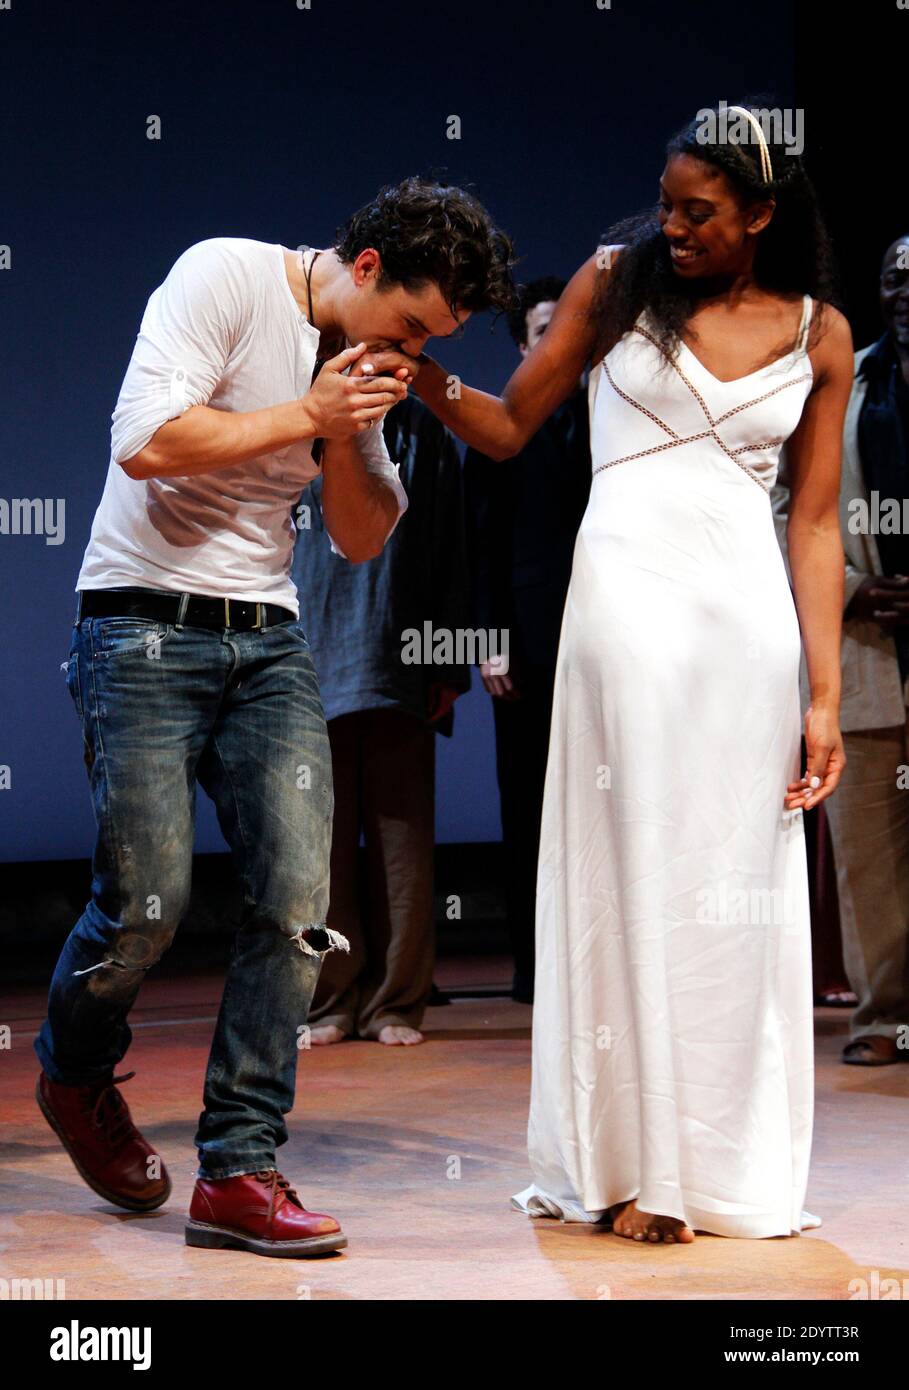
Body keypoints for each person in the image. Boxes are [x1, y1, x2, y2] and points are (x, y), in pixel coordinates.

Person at [34, 177, 514, 1258]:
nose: (409, 353)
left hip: (267, 635)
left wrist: (348, 432)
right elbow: (145, 438)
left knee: (298, 900)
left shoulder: (358, 373)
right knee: (146, 905)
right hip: (137, 623)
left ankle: (239, 1170)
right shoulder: (226, 274)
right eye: (408, 328)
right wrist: (307, 411)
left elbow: (358, 536)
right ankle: (71, 1071)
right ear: (371, 268)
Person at [409, 106, 853, 1243]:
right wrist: (419, 377)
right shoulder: (617, 287)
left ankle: (708, 1163)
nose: (674, 226)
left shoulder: (820, 335)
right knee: (631, 871)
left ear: (761, 214)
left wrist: (822, 696)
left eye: (699, 211)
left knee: (726, 887)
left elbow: (809, 525)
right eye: (665, 202)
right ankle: (626, 1161)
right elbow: (509, 425)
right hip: (623, 608)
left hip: (741, 630)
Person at [291, 392, 470, 1046]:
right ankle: (328, 999)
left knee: (401, 845)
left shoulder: (422, 428)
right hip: (307, 646)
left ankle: (395, 1001)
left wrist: (451, 665)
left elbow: (452, 547)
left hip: (401, 649)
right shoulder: (297, 414)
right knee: (318, 849)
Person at [773, 234, 909, 1066]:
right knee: (867, 856)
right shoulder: (845, 379)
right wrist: (849, 584)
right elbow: (785, 498)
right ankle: (884, 1017)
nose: (904, 292)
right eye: (893, 276)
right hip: (859, 644)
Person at [463, 278, 591, 1003]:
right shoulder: (495, 426)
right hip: (526, 643)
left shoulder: (613, 414)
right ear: (521, 344)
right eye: (544, 330)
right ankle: (535, 969)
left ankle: (594, 964)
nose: (558, 344)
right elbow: (481, 545)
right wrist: (490, 640)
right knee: (529, 806)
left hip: (604, 637)